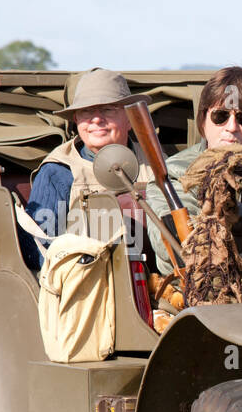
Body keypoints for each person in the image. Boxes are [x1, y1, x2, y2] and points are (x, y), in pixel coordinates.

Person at [21, 68, 153, 272]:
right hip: (86, 291)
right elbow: (39, 251)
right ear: (76, 120)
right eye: (87, 111)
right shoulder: (58, 172)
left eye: (108, 109)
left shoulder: (156, 164)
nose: (96, 119)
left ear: (129, 118)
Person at [143, 65, 242, 275]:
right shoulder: (174, 175)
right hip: (195, 292)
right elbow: (177, 246)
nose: (231, 127)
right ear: (203, 120)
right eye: (220, 116)